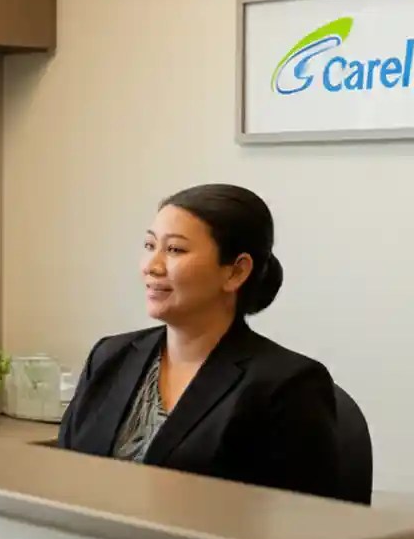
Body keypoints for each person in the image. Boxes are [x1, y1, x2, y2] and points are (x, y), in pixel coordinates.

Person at [57, 183, 348, 502]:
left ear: (236, 272)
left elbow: (301, 526)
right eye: (149, 245)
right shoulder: (110, 357)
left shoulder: (288, 385)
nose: (152, 266)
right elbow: (66, 479)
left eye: (175, 250)